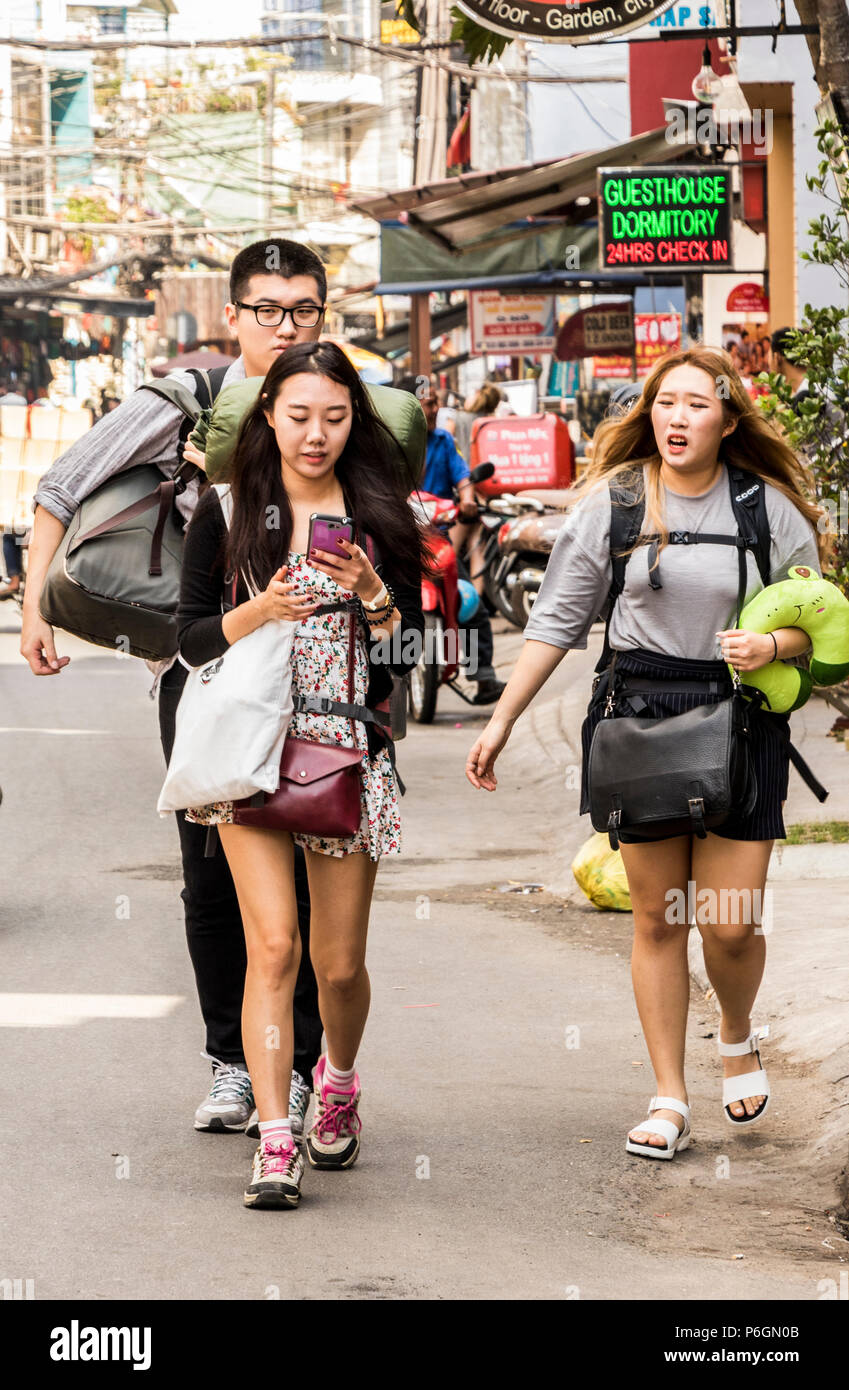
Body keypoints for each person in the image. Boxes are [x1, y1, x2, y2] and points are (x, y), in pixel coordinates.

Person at [466, 347, 824, 1160]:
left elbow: (825, 621)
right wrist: (502, 722)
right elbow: (555, 620)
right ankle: (668, 1096)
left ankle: (735, 1030)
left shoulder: (765, 510)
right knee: (660, 920)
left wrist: (773, 642)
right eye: (665, 402)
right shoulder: (614, 505)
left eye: (697, 404)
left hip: (741, 714)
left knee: (728, 924)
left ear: (727, 421)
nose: (676, 417)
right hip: (639, 712)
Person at [20, 239, 335, 1140]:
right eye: (267, 310)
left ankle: (305, 1070)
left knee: (313, 879)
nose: (285, 326)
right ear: (232, 316)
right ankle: (231, 1065)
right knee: (211, 880)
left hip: (323, 683)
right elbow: (61, 485)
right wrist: (37, 607)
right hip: (201, 675)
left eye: (303, 309)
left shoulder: (338, 404)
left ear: (324, 312)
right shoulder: (189, 403)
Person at [177, 340, 425, 1207]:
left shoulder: (381, 511)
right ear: (267, 417)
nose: (314, 435)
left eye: (333, 416)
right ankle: (276, 1137)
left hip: (347, 756)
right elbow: (190, 640)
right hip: (252, 755)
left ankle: (341, 1083)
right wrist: (262, 608)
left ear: (354, 420)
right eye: (297, 416)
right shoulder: (226, 508)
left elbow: (409, 653)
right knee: (273, 948)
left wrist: (371, 592)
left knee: (339, 964)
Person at [408, 379, 504, 705]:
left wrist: (467, 499)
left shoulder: (444, 440)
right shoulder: (393, 441)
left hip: (438, 542)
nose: (431, 409)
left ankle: (484, 675)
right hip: (399, 541)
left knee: (470, 605)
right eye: (424, 402)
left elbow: (463, 481)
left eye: (434, 403)